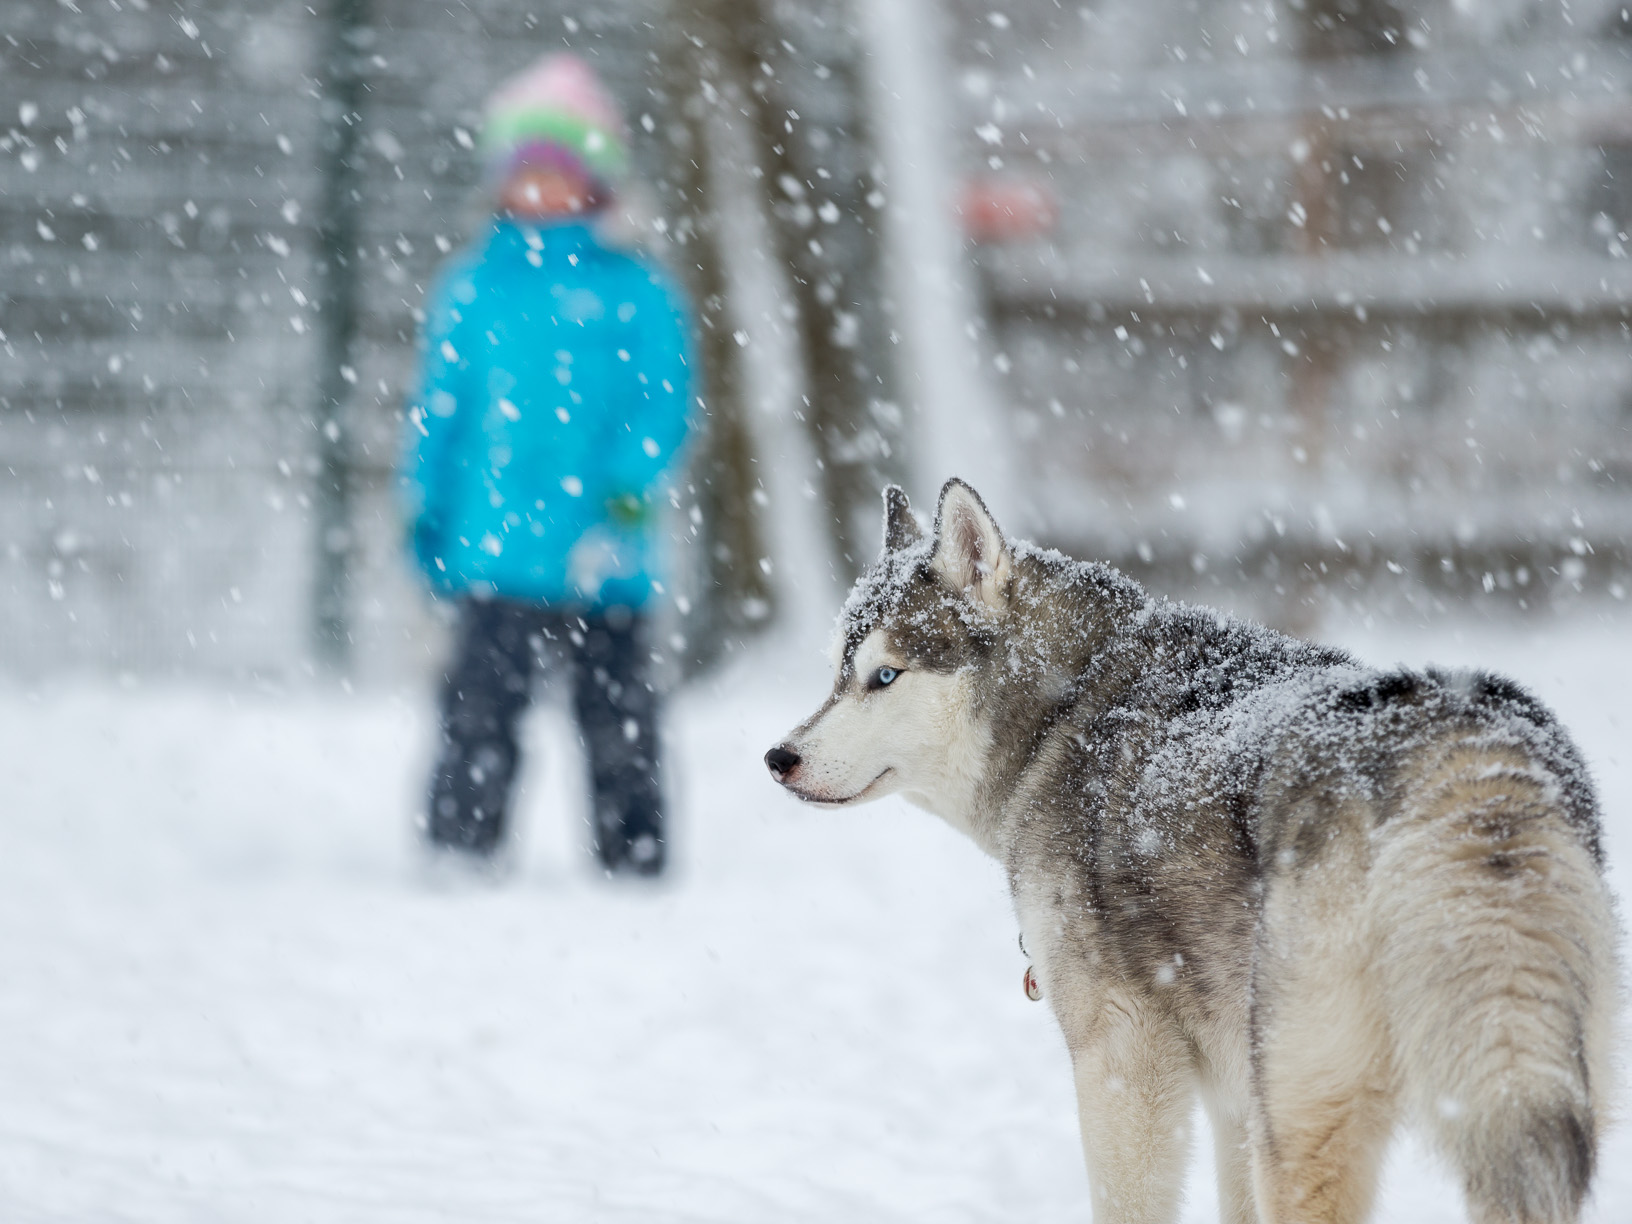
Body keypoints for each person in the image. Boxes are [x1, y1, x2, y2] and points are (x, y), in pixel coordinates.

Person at [399, 54, 692, 877]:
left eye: (559, 173)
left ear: (597, 181)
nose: (540, 191)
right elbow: (441, 412)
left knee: (619, 714)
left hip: (607, 547)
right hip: (494, 547)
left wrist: (630, 481)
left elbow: (662, 402)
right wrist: (425, 503)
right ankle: (460, 847)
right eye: (523, 173)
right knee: (478, 709)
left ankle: (634, 855)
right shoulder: (472, 289)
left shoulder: (636, 290)